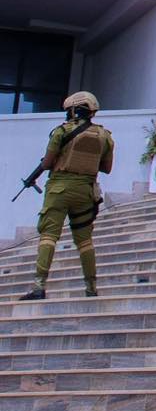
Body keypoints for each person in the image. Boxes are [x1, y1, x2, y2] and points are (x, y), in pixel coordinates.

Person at [21, 90, 114, 300]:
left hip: (59, 189)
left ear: (74, 110)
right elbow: (107, 168)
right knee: (85, 241)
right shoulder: (105, 136)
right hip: (86, 192)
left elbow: (46, 163)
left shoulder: (61, 132)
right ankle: (91, 288)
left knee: (48, 236)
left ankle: (39, 286)